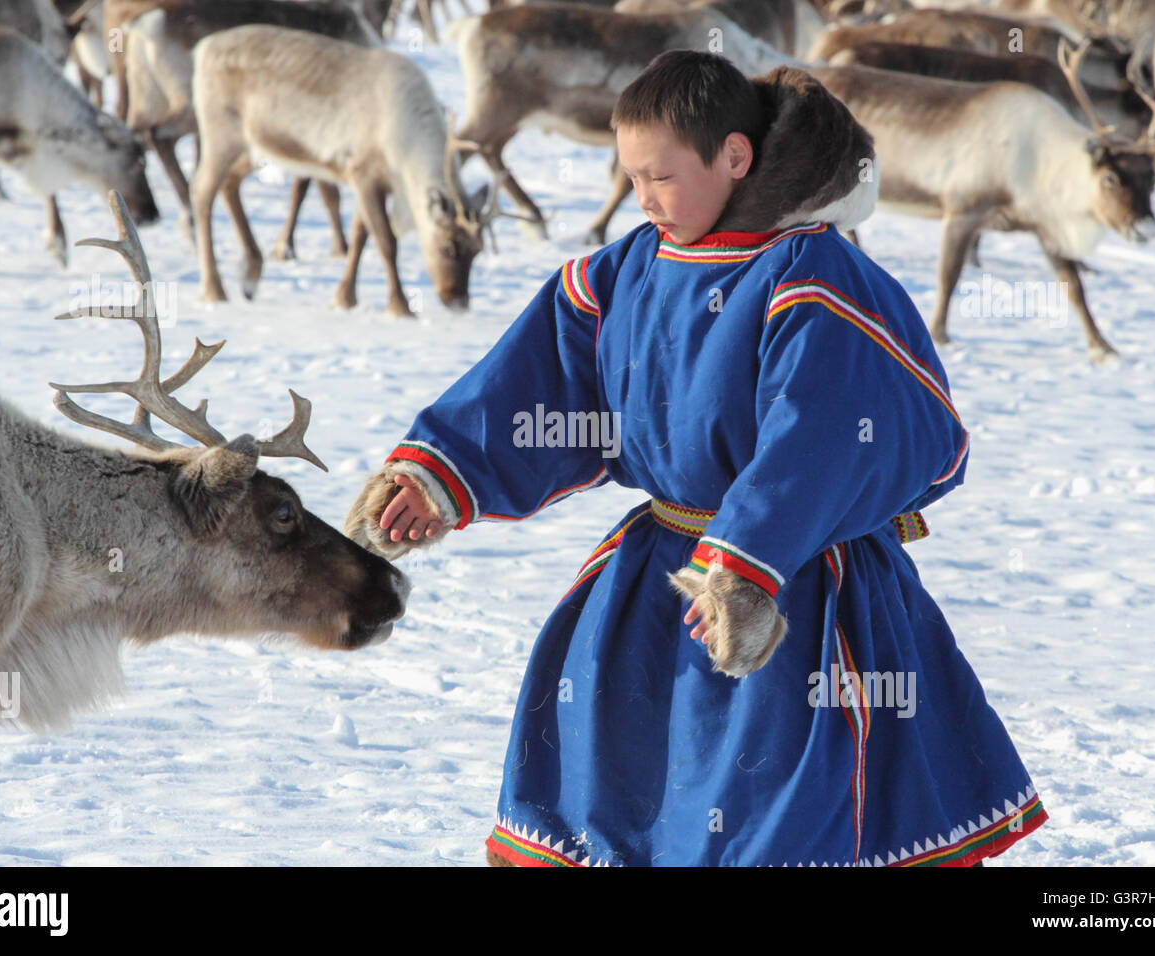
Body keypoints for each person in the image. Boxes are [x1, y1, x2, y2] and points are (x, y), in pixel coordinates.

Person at [344, 51, 1047, 867]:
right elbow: (544, 381)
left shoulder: (812, 273)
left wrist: (749, 565)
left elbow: (822, 436)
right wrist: (441, 477)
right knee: (615, 792)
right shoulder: (627, 270)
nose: (642, 198)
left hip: (795, 594)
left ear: (735, 158)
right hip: (656, 584)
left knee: (778, 809)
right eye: (630, 175)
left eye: (662, 177)